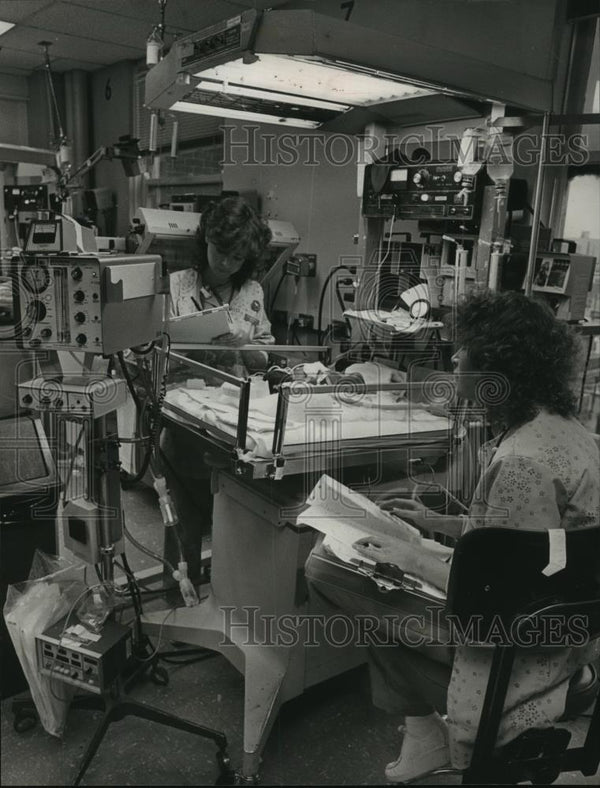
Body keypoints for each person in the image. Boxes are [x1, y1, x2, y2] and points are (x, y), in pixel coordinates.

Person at [305, 290, 600, 783]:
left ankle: (426, 727)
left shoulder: (522, 463)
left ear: (497, 369)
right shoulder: (567, 431)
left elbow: (498, 595)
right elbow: (535, 549)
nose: (456, 358)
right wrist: (439, 525)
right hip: (562, 623)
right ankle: (422, 733)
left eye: (467, 349)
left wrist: (413, 556)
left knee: (327, 569)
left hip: (517, 646)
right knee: (378, 575)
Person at [160, 197, 274, 585]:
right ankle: (180, 594)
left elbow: (264, 360)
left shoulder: (252, 292)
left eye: (237, 257)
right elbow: (152, 350)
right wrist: (187, 341)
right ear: (206, 239)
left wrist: (246, 341)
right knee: (181, 521)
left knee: (233, 518)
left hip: (230, 421)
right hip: (184, 417)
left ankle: (228, 599)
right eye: (220, 251)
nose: (226, 263)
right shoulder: (177, 286)